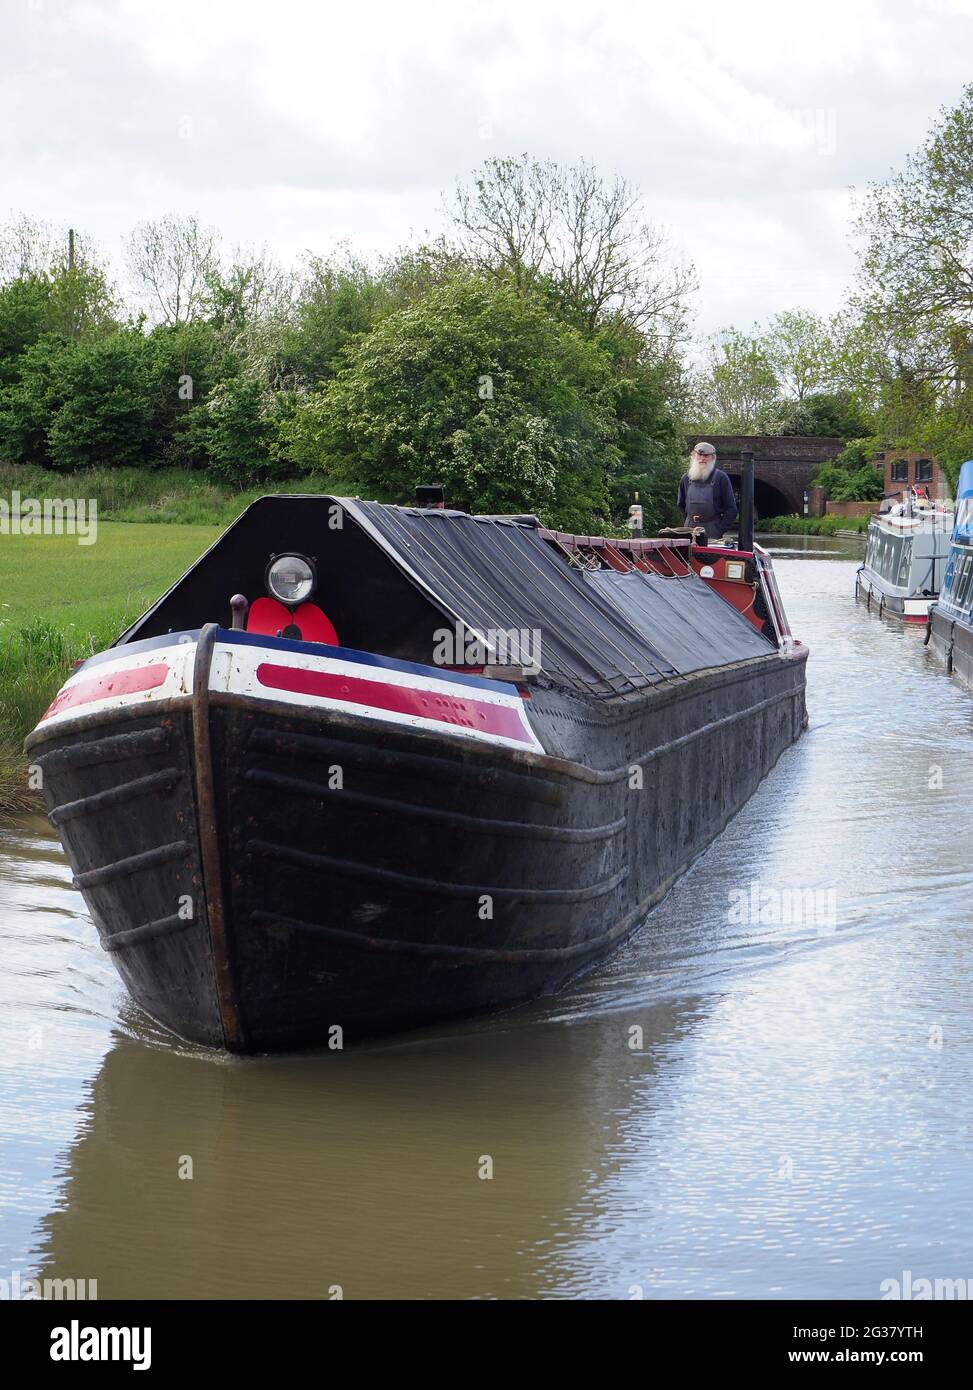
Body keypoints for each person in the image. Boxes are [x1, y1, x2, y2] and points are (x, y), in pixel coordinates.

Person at [677, 442, 737, 544]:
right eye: (699, 455)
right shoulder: (686, 478)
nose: (702, 458)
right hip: (689, 529)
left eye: (706, 456)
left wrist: (719, 529)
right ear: (693, 456)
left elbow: (731, 509)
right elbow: (681, 504)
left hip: (712, 529)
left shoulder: (721, 478)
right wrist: (688, 521)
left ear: (713, 458)